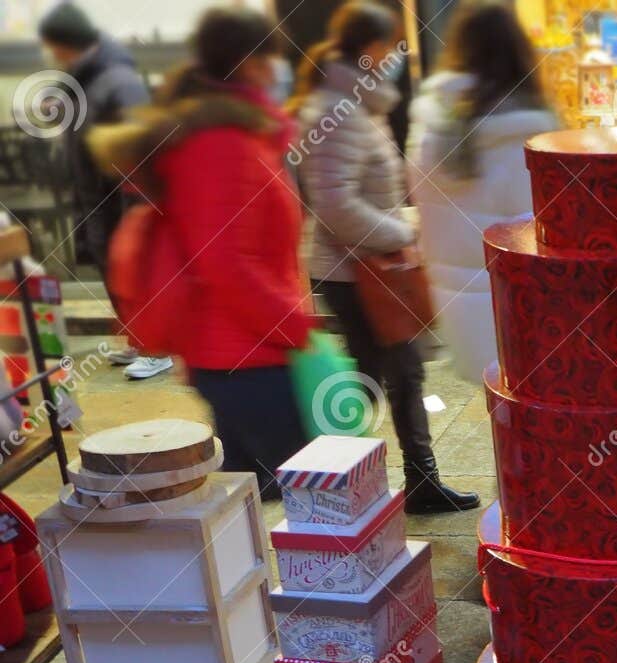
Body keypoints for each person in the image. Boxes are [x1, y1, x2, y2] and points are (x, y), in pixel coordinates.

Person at [88, 7, 313, 497]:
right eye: (271, 58)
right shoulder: (220, 143)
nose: (278, 70)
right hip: (243, 353)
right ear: (251, 63)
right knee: (315, 494)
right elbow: (224, 263)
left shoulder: (234, 131)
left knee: (257, 489)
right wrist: (293, 324)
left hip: (242, 348)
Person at [291, 1, 479, 515]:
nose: (397, 54)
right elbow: (334, 204)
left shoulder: (356, 105)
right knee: (378, 379)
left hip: (368, 265)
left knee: (396, 374)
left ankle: (400, 484)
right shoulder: (338, 111)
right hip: (355, 271)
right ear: (371, 49)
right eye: (392, 45)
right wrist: (402, 231)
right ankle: (328, 485)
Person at [407, 1, 556, 381]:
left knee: (493, 390)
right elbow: (543, 222)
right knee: (529, 398)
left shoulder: (431, 116)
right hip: (522, 302)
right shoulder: (529, 127)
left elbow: (419, 194)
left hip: (453, 296)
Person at [36, 2, 171, 381]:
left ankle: (158, 348)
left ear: (66, 43)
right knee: (113, 270)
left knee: (132, 270)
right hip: (96, 194)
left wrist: (137, 207)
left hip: (120, 196)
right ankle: (138, 338)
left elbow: (138, 148)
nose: (52, 53)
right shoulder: (83, 76)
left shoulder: (117, 78)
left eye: (53, 45)